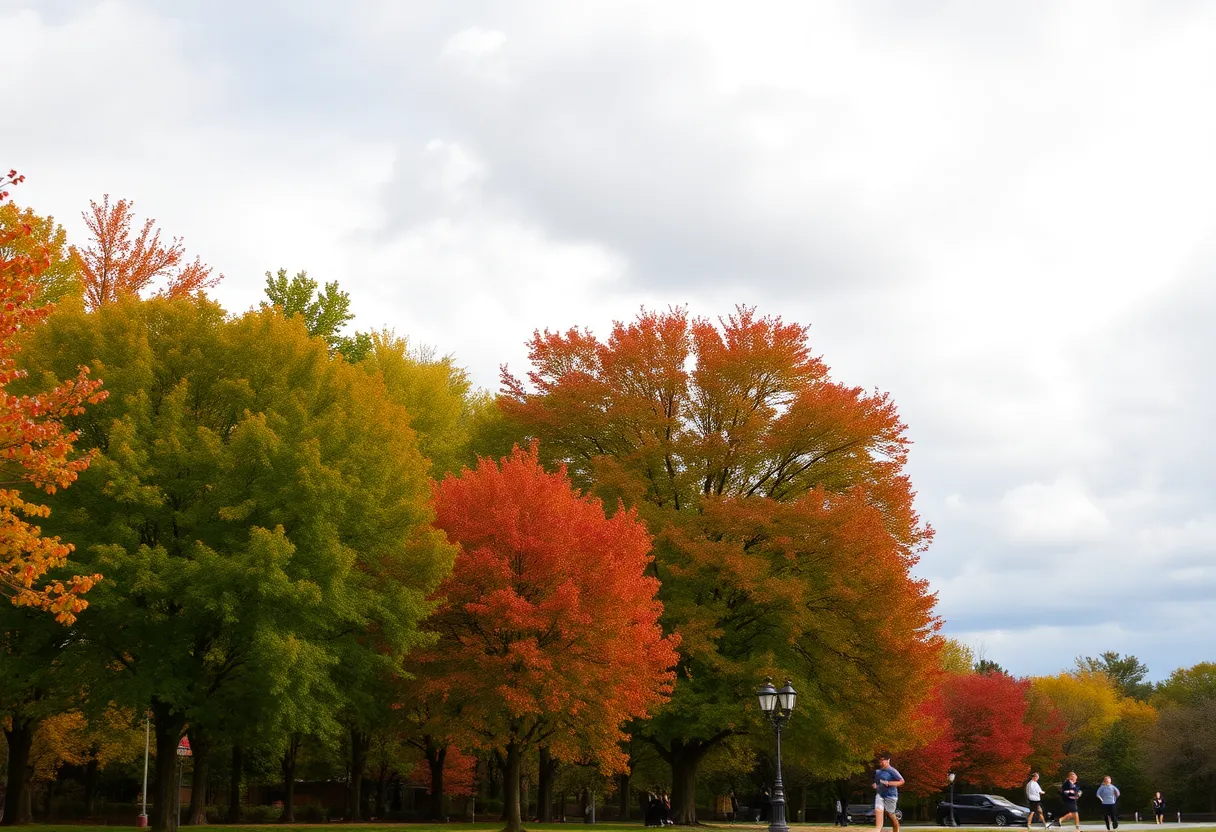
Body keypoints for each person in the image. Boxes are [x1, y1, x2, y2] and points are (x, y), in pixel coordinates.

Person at [873, 752, 905, 832]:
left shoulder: (892, 770)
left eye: (883, 760)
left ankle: (896, 830)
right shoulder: (878, 772)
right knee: (878, 811)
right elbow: (878, 783)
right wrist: (876, 786)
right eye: (880, 760)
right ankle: (878, 830)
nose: (881, 762)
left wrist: (889, 783)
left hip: (890, 795)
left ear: (888, 760)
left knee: (890, 814)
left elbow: (902, 781)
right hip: (880, 795)